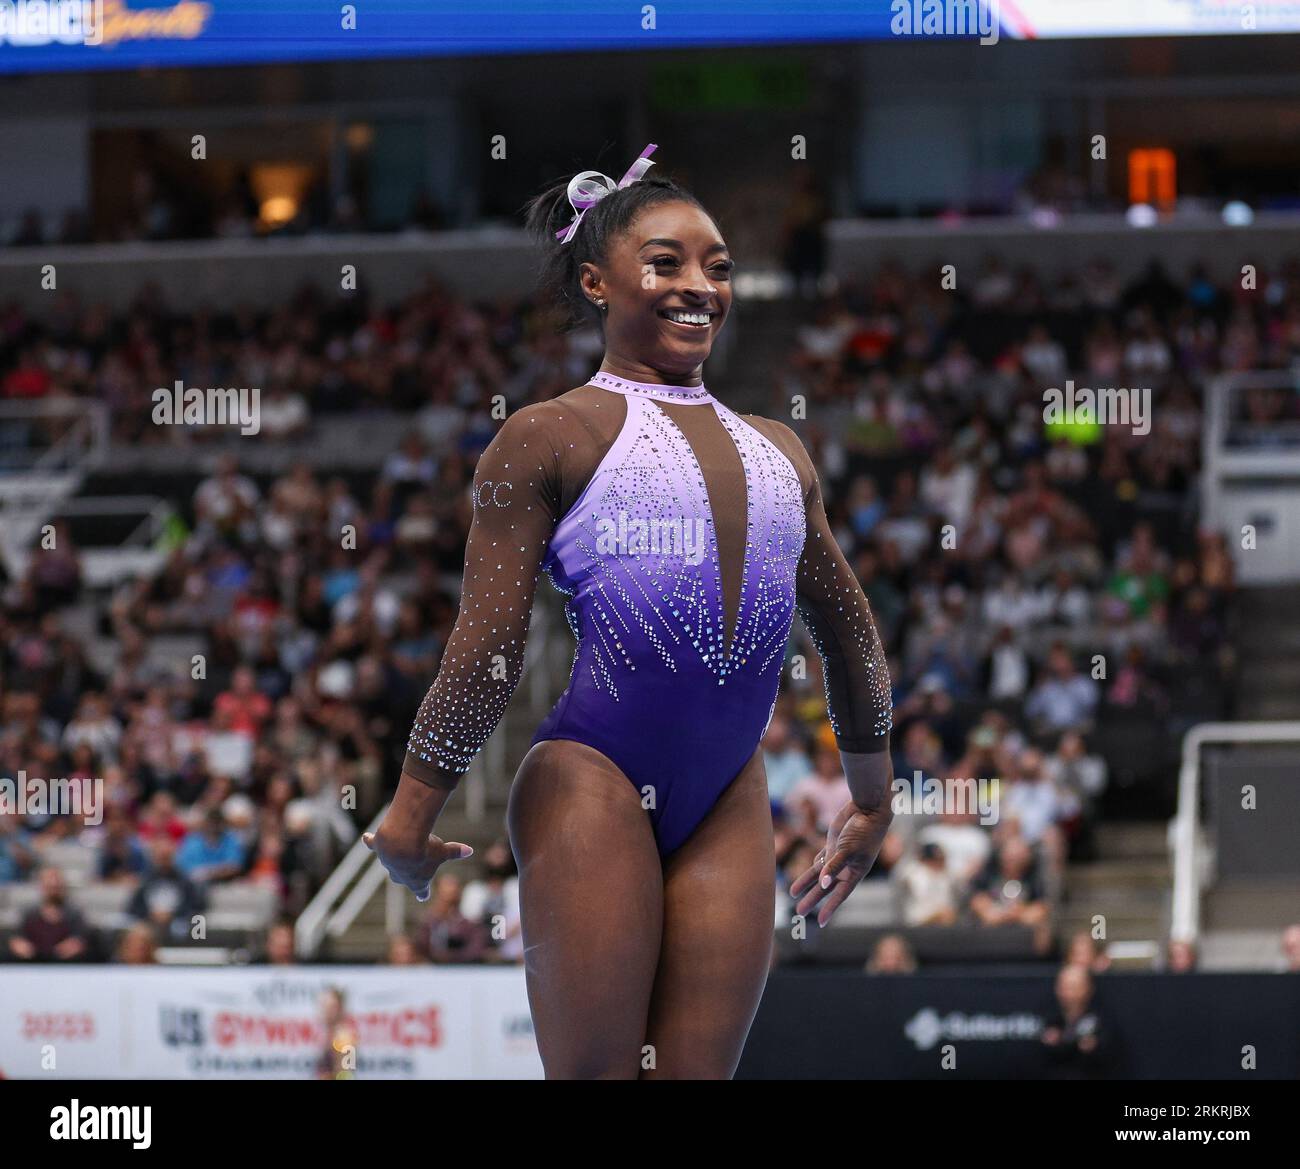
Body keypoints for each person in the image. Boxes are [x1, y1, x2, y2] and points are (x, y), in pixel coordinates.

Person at [365, 144, 894, 1079]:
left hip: (728, 789)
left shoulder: (781, 450)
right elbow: (488, 645)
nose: (700, 286)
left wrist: (874, 796)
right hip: (591, 777)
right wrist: (412, 811)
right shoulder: (547, 435)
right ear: (596, 282)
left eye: (718, 266)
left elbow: (848, 629)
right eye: (666, 262)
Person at [8, 868, 92, 962]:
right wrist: (21, 946)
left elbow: (79, 940)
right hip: (32, 964)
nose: (53, 890)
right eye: (49, 887)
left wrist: (72, 946)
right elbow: (16, 939)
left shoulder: (74, 914)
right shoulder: (29, 913)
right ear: (42, 887)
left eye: (56, 887)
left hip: (65, 965)